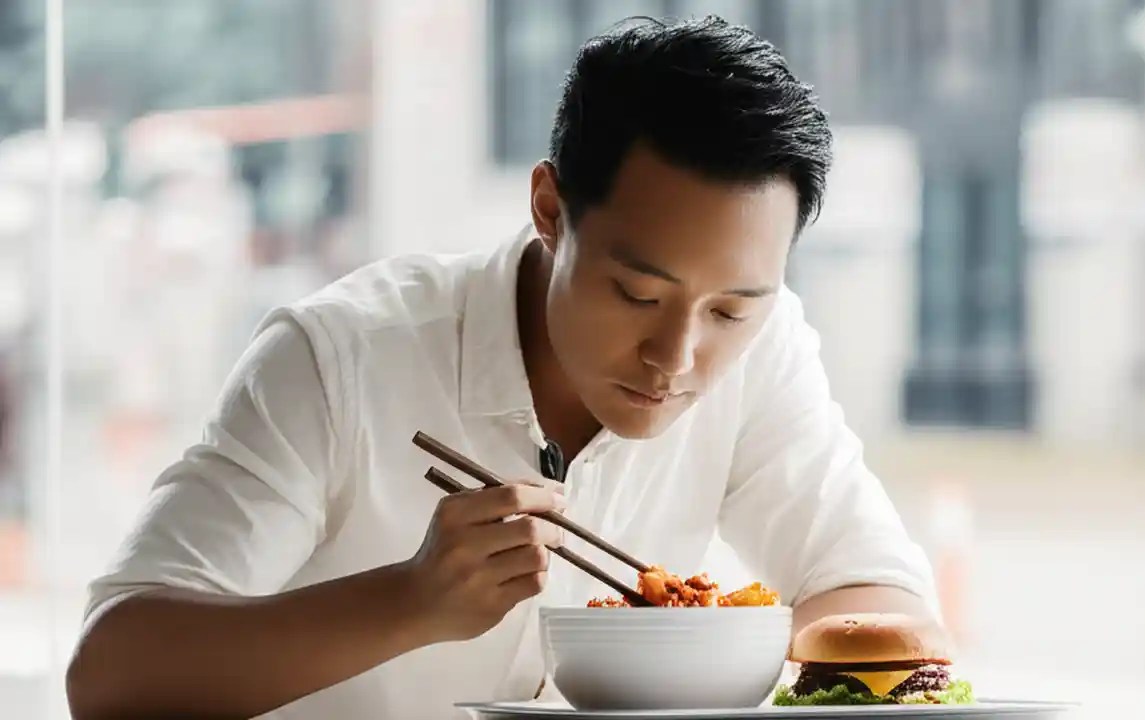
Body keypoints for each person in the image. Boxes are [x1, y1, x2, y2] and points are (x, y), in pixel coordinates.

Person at [66, 16, 939, 720]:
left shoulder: (767, 348)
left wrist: (726, 645)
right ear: (549, 209)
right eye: (637, 294)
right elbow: (111, 673)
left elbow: (883, 610)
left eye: (730, 311)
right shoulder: (340, 357)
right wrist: (407, 603)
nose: (677, 358)